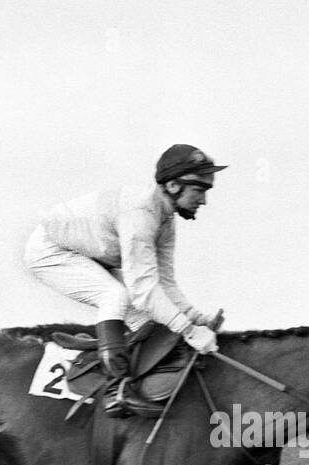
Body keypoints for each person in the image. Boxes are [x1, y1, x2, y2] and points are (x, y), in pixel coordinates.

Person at [23, 143, 226, 418]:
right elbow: (143, 291)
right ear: (174, 186)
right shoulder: (141, 215)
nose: (203, 200)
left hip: (91, 253)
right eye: (200, 190)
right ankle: (116, 390)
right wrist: (189, 332)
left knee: (147, 322)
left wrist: (195, 317)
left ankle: (134, 382)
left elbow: (163, 282)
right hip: (51, 250)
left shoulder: (164, 219)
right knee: (115, 296)